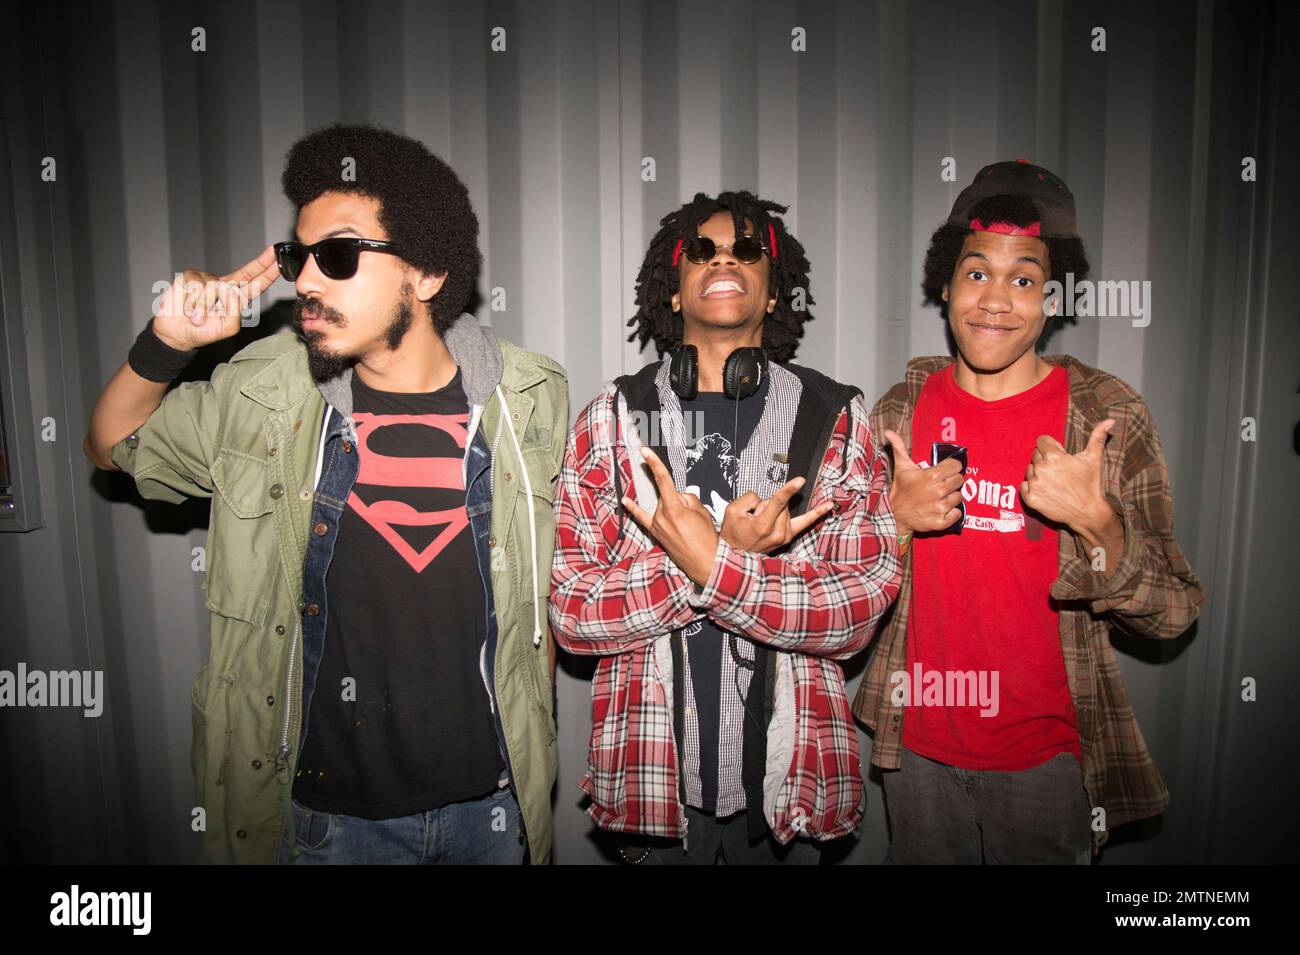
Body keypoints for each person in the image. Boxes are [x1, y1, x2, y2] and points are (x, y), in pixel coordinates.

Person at [84, 123, 568, 864]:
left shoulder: (530, 398)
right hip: (329, 824)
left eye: (337, 255)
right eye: (296, 256)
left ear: (427, 273)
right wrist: (170, 344)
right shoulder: (265, 393)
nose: (305, 279)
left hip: (491, 810)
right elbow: (110, 443)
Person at [852, 160, 1205, 863]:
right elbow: (840, 594)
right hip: (915, 749)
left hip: (1048, 762)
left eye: (1024, 279)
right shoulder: (898, 410)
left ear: (1055, 294)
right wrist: (892, 520)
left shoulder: (1106, 414)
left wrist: (1098, 523)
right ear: (945, 283)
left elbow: (1173, 612)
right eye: (977, 272)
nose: (995, 301)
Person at [548, 190, 902, 863]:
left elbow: (857, 608)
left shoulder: (833, 416)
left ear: (775, 294)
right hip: (653, 790)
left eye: (746, 251)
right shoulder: (613, 419)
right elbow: (571, 611)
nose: (724, 260)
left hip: (790, 797)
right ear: (673, 292)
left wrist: (717, 569)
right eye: (701, 251)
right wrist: (710, 567)